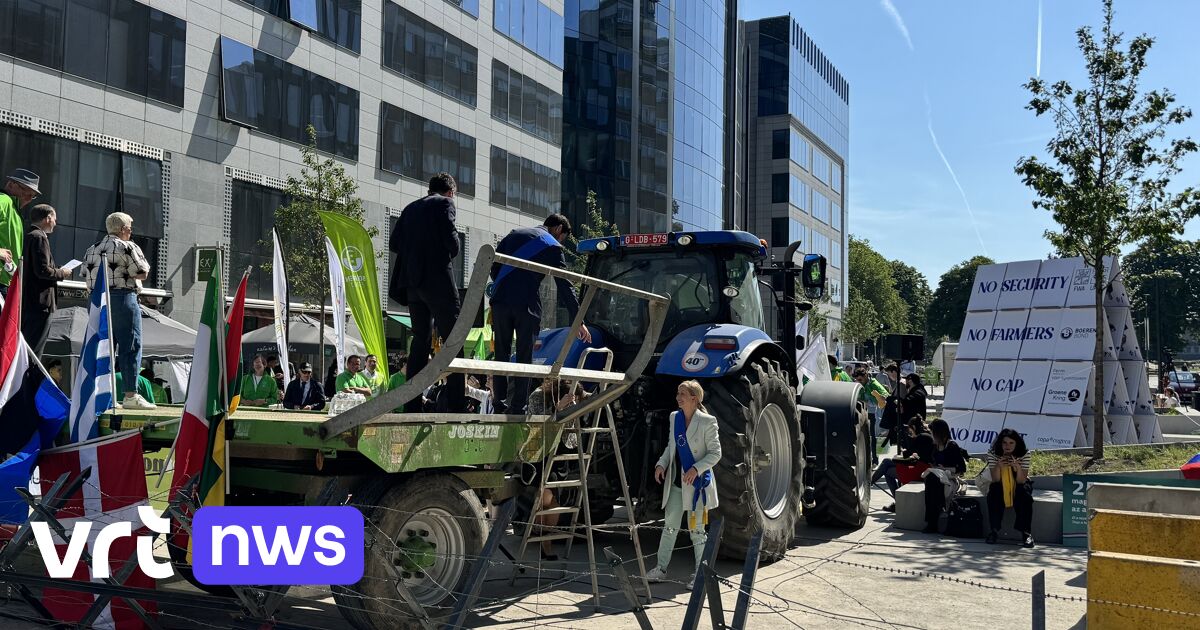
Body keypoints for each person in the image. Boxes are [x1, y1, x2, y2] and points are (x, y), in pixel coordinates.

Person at [490, 214, 592, 414]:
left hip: (500, 303)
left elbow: (495, 268)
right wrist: (578, 319)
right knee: (524, 355)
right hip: (526, 304)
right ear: (559, 230)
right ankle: (518, 406)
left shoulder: (513, 234)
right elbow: (564, 283)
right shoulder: (551, 244)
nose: (561, 242)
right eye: (563, 238)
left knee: (501, 353)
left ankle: (498, 403)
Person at [390, 173, 465, 413]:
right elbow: (452, 243)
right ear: (451, 192)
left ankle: (412, 404)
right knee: (454, 341)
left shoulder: (409, 208)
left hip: (413, 284)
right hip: (439, 282)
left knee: (420, 343)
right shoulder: (445, 204)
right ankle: (455, 405)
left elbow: (393, 243)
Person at [647, 380, 721, 589]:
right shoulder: (675, 418)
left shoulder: (707, 421)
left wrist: (696, 468)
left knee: (696, 530)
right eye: (678, 393)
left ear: (694, 398)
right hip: (677, 484)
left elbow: (716, 454)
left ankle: (700, 572)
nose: (678, 397)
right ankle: (661, 568)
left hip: (697, 485)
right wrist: (661, 464)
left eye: (683, 394)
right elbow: (672, 446)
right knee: (669, 526)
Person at [84, 212, 155, 410]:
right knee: (131, 346)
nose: (131, 230)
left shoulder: (92, 248)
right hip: (122, 298)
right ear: (123, 229)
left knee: (103, 348)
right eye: (130, 227)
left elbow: (85, 273)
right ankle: (131, 395)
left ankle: (103, 396)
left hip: (97, 302)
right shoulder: (128, 246)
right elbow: (142, 271)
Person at [21, 204, 70, 352]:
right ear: (48, 218)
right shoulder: (39, 237)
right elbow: (42, 270)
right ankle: (31, 375)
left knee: (29, 345)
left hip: (29, 301)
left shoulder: (29, 235)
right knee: (35, 349)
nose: (55, 223)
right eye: (54, 219)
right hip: (39, 303)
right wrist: (62, 272)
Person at [871, 416, 933, 512]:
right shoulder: (926, 435)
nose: (910, 433)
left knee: (887, 464)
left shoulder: (921, 437)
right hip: (922, 468)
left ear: (914, 427)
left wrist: (903, 449)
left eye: (910, 431)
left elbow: (906, 454)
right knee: (887, 467)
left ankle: (869, 483)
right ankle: (897, 501)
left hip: (920, 471)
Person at [985, 429, 1034, 547]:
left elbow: (1021, 481)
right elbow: (995, 479)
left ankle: (1026, 533)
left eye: (1011, 443)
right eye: (1004, 443)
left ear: (1017, 443)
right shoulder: (993, 454)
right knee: (994, 493)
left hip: (1018, 481)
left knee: (1025, 496)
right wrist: (998, 466)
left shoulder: (1024, 454)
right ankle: (994, 531)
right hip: (1000, 481)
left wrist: (1017, 467)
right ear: (1000, 443)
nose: (1007, 446)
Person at [0, 169, 40, 304]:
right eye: (26, 191)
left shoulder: (14, 210)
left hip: (7, 282)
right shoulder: (3, 201)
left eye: (32, 195)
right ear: (11, 184)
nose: (29, 199)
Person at [921, 419, 968, 533]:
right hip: (938, 478)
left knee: (933, 481)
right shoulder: (935, 447)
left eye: (932, 432)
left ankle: (933, 522)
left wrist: (944, 469)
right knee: (931, 479)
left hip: (950, 479)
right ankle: (932, 520)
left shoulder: (951, 446)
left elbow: (961, 469)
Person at [853, 368, 889, 465]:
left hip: (872, 414)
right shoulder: (858, 384)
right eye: (857, 380)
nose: (858, 382)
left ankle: (875, 460)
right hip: (860, 413)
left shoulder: (873, 383)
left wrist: (879, 398)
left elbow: (885, 396)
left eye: (860, 380)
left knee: (873, 437)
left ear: (865, 376)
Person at [878, 364, 907, 447]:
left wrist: (888, 399)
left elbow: (900, 400)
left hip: (898, 416)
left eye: (889, 374)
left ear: (893, 372)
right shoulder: (899, 382)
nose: (889, 377)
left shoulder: (901, 383)